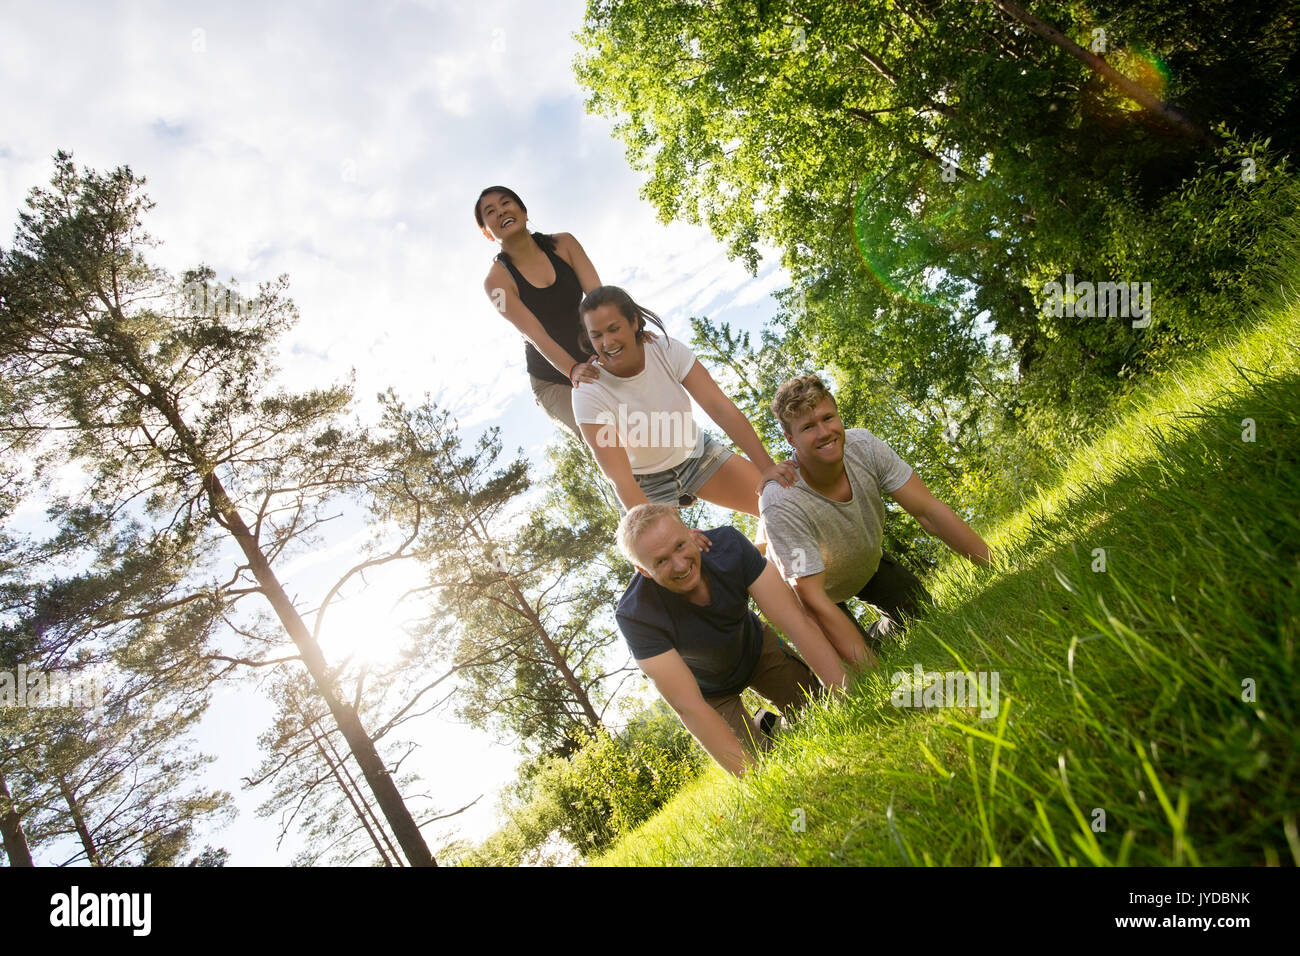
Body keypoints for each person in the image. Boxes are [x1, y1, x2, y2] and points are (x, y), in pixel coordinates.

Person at [615, 504, 871, 776]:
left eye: (679, 546)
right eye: (661, 561)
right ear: (642, 570)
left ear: (689, 532)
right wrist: (758, 782)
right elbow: (688, 706)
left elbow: (796, 622)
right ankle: (768, 727)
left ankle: (774, 723)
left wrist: (850, 696)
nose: (679, 565)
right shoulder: (636, 616)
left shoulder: (727, 545)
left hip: (758, 649)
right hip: (712, 693)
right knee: (762, 763)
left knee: (822, 709)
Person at [759, 375, 992, 666]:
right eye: (808, 427)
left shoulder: (864, 446)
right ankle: (861, 651)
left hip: (864, 562)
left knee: (923, 616)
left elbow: (928, 511)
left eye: (828, 417)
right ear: (790, 439)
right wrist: (879, 678)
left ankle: (875, 636)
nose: (824, 432)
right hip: (812, 597)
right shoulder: (782, 500)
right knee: (861, 666)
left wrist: (994, 568)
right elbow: (813, 599)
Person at [571, 285, 795, 515]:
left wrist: (767, 468)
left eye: (614, 329)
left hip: (697, 456)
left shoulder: (665, 350)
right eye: (596, 335)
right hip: (642, 486)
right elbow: (619, 478)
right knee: (674, 548)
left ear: (634, 322)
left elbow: (720, 408)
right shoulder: (588, 390)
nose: (607, 343)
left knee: (784, 507)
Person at [476, 186, 602, 440]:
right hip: (553, 380)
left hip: (595, 355)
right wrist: (572, 370)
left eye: (506, 203)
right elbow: (534, 334)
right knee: (604, 437)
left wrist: (632, 332)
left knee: (640, 423)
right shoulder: (495, 283)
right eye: (491, 212)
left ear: (523, 211)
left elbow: (600, 298)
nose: (501, 212)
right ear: (486, 233)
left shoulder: (564, 243)